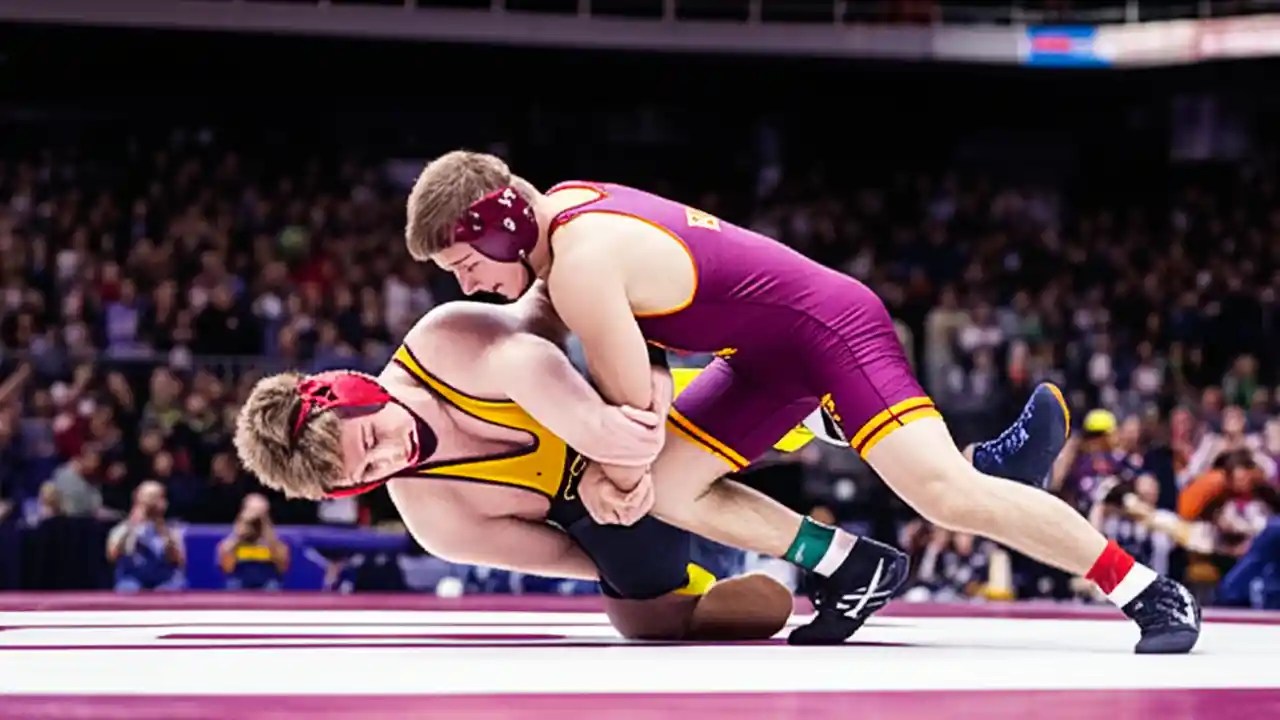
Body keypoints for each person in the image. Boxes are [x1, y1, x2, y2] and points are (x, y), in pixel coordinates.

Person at [405, 150, 1200, 652]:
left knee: (947, 499)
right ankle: (859, 566)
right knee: (673, 491)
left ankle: (1146, 589)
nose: (467, 285)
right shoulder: (566, 219)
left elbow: (632, 431)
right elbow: (596, 361)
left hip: (826, 331)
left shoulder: (579, 266)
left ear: (505, 227)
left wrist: (615, 482)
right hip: (762, 351)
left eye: (465, 265)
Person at [234, 289, 796, 640]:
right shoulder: (436, 519)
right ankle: (690, 604)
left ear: (360, 390)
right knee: (638, 618)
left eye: (374, 436)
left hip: (625, 409)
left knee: (636, 399)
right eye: (366, 474)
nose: (390, 456)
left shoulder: (442, 341)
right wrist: (629, 545)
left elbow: (549, 304)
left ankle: (788, 406)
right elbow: (575, 560)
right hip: (616, 510)